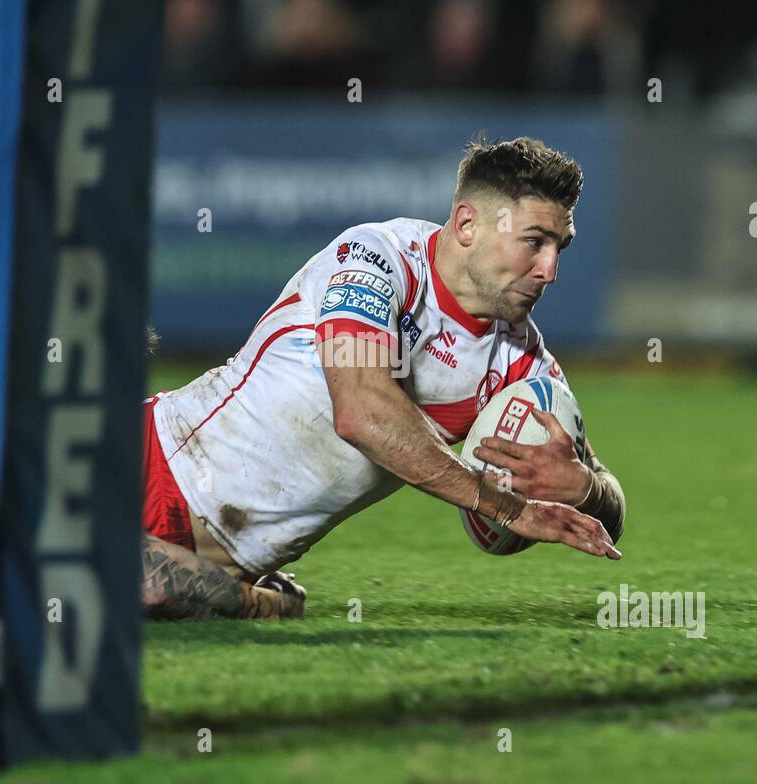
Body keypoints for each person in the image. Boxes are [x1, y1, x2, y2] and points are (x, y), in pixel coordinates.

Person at [141, 136, 625, 621]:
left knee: (152, 592)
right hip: (146, 463)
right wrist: (507, 507)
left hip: (225, 559)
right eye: (534, 242)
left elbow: (606, 497)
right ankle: (255, 602)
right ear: (467, 224)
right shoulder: (376, 259)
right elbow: (360, 411)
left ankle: (241, 598)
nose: (550, 270)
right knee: (145, 588)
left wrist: (583, 488)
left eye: (559, 247)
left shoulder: (519, 362)